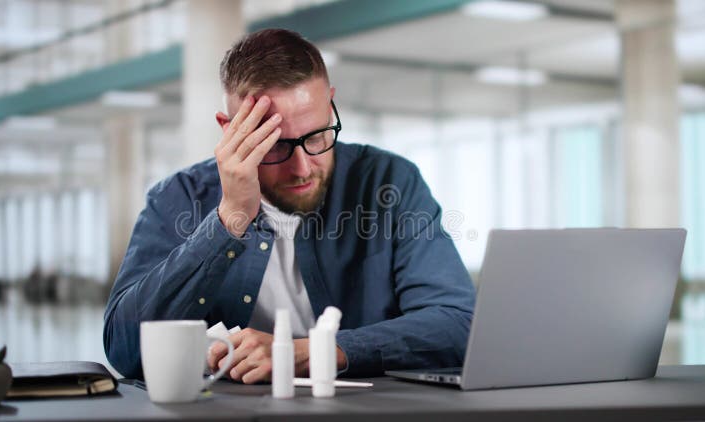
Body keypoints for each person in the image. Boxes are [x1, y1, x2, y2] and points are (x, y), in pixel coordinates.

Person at [103, 28, 476, 383]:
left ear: (330, 106)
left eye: (317, 136)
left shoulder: (389, 182)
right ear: (229, 129)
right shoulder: (177, 197)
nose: (302, 168)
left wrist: (312, 352)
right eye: (276, 145)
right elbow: (125, 349)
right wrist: (228, 219)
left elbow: (458, 323)